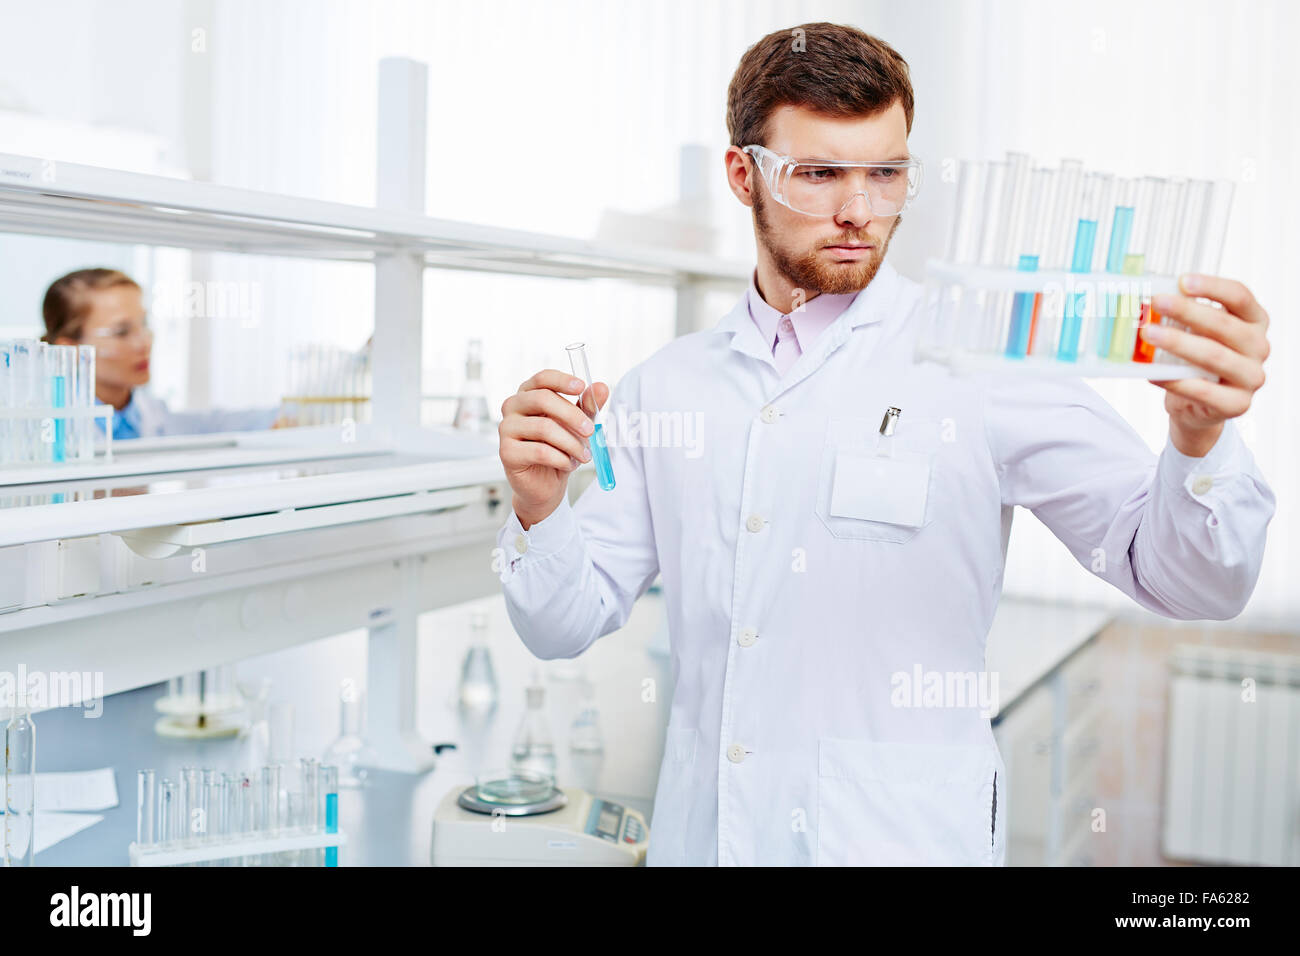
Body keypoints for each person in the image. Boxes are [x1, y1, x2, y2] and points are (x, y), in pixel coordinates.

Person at [495, 23, 1275, 866]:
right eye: (821, 175)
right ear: (741, 174)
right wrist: (538, 509)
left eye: (888, 174)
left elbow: (1192, 580)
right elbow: (562, 623)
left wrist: (1198, 442)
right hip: (709, 840)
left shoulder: (980, 359)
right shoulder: (668, 387)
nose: (860, 211)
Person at [42, 268, 282, 439]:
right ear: (71, 349)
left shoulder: (151, 415)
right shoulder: (47, 428)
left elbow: (212, 424)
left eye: (143, 324)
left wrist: (300, 412)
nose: (144, 342)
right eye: (122, 332)